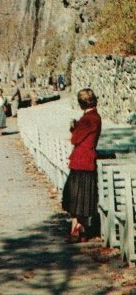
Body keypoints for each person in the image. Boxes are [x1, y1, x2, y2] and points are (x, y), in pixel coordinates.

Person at [62, 88, 102, 243]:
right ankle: (80, 229)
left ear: (81, 104)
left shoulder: (87, 119)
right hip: (88, 161)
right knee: (83, 199)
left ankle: (78, 230)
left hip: (81, 161)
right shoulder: (96, 117)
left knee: (74, 197)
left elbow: (75, 139)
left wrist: (73, 127)